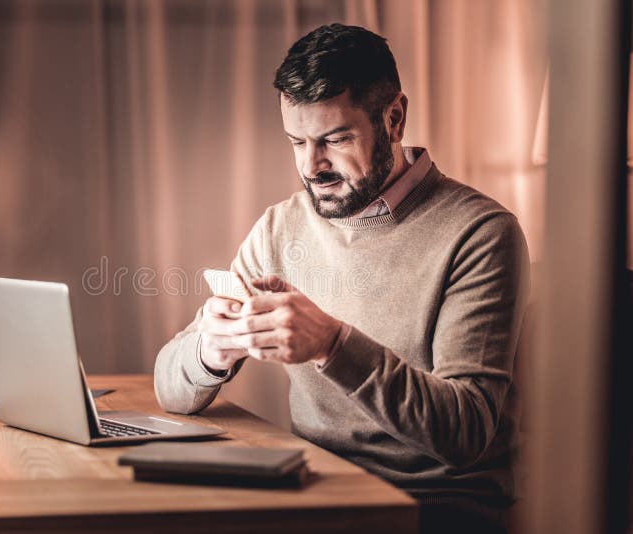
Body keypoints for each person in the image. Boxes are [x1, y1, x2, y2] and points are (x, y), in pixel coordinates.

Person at [154, 23, 529, 534]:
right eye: (296, 142)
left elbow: (464, 431)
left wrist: (332, 344)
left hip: (432, 510)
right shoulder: (280, 226)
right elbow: (169, 389)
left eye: (335, 139)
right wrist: (210, 351)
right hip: (318, 493)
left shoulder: (482, 234)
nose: (311, 166)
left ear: (393, 119)